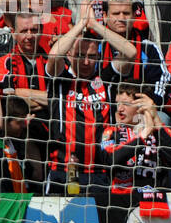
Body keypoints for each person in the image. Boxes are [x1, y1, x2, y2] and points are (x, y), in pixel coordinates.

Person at [42, 16, 135, 195]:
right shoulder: (60, 80)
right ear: (69, 54)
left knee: (98, 213)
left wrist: (94, 25)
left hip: (100, 172)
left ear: (98, 56)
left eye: (91, 56)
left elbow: (130, 53)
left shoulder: (105, 80)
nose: (86, 62)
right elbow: (54, 56)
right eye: (80, 55)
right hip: (65, 169)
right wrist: (81, 24)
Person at [100, 85, 171, 195]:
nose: (120, 109)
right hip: (121, 200)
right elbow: (109, 160)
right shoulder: (112, 132)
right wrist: (142, 137)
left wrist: (155, 119)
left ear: (142, 106)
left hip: (154, 200)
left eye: (126, 104)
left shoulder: (158, 132)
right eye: (118, 104)